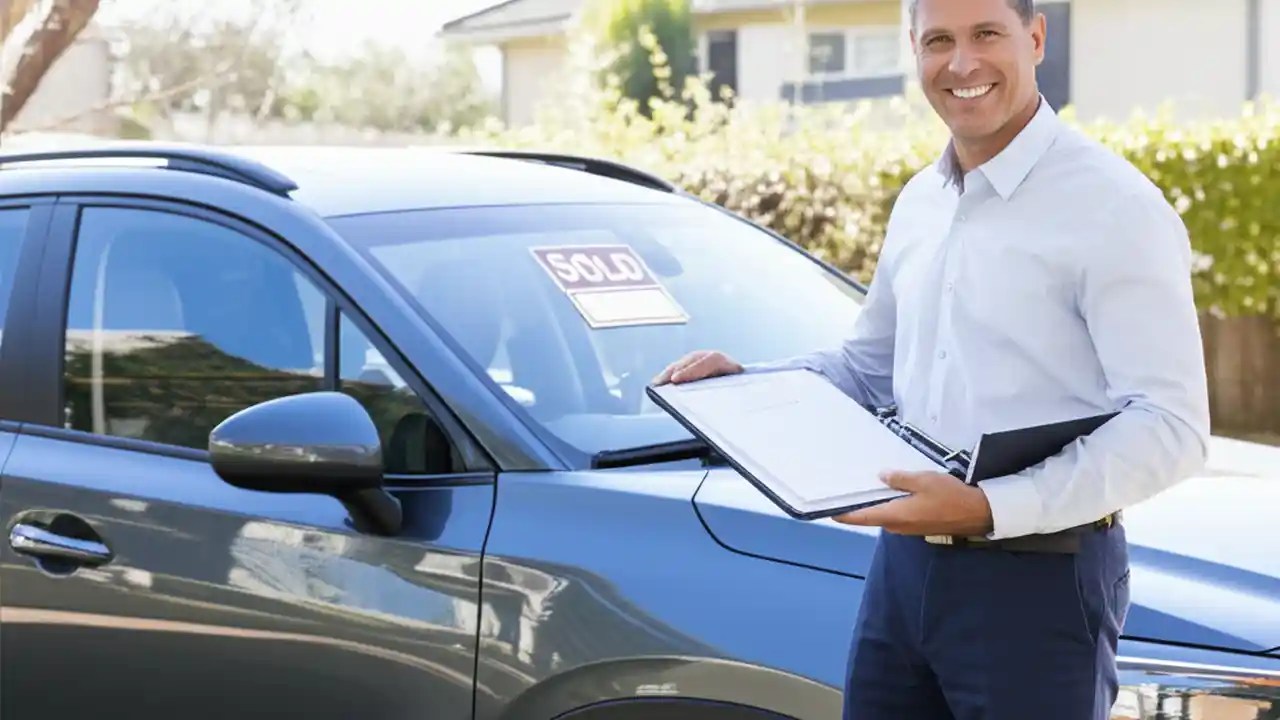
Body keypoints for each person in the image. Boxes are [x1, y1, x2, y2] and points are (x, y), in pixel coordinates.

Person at [652, 0, 1211, 717]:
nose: (962, 63)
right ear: (913, 50)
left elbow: (1171, 426)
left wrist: (986, 509)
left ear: (1035, 39)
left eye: (986, 35)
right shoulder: (921, 200)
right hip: (902, 567)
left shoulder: (1115, 208)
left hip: (1039, 578)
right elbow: (867, 369)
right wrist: (746, 387)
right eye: (938, 40)